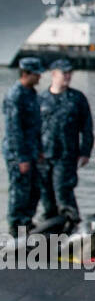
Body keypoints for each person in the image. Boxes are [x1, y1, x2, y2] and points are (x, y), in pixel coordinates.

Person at [37, 57, 94, 225]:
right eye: (64, 73)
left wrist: (85, 152)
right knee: (46, 196)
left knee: (63, 193)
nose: (68, 76)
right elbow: (32, 128)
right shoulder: (41, 99)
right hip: (43, 156)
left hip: (66, 155)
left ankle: (72, 227)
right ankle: (51, 233)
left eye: (70, 73)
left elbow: (86, 128)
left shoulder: (77, 98)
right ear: (54, 74)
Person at [4, 57, 45, 237]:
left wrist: (39, 150)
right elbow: (14, 129)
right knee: (19, 190)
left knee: (35, 188)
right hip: (18, 153)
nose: (39, 77)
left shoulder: (32, 94)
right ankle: (15, 226)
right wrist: (21, 158)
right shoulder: (16, 96)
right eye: (36, 74)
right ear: (25, 74)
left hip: (32, 150)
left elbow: (36, 126)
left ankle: (26, 222)